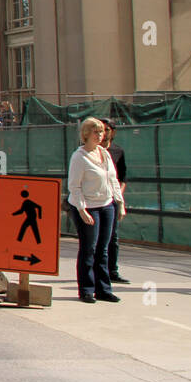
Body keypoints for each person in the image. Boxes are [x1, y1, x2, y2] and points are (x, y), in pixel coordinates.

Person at [67, 117, 126, 304]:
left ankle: (104, 289)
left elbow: (113, 179)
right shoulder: (80, 156)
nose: (100, 135)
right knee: (89, 248)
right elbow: (74, 186)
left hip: (106, 205)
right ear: (86, 134)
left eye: (101, 132)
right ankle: (86, 289)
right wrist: (82, 210)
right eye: (96, 132)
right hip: (87, 207)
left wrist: (120, 203)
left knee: (104, 249)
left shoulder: (104, 154)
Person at [101, 120, 130, 284]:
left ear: (113, 132)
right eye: (100, 130)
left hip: (112, 200)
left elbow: (122, 177)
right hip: (95, 200)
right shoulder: (91, 151)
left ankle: (112, 271)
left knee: (113, 238)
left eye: (106, 130)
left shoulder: (117, 151)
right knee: (97, 239)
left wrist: (118, 198)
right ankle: (96, 271)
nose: (103, 133)